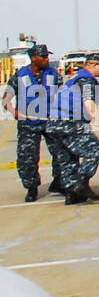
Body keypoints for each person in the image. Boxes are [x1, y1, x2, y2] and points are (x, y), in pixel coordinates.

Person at [1, 44, 64, 202]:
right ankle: (31, 187)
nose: (47, 59)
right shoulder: (20, 75)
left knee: (61, 152)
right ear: (34, 58)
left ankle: (59, 182)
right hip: (28, 123)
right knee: (27, 157)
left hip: (51, 120)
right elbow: (6, 99)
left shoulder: (53, 73)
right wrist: (15, 114)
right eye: (44, 57)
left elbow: (63, 93)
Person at [47, 56, 99, 204]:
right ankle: (82, 184)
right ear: (93, 65)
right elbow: (88, 102)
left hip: (54, 123)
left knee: (67, 158)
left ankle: (71, 194)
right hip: (70, 122)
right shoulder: (87, 79)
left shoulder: (75, 78)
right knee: (94, 150)